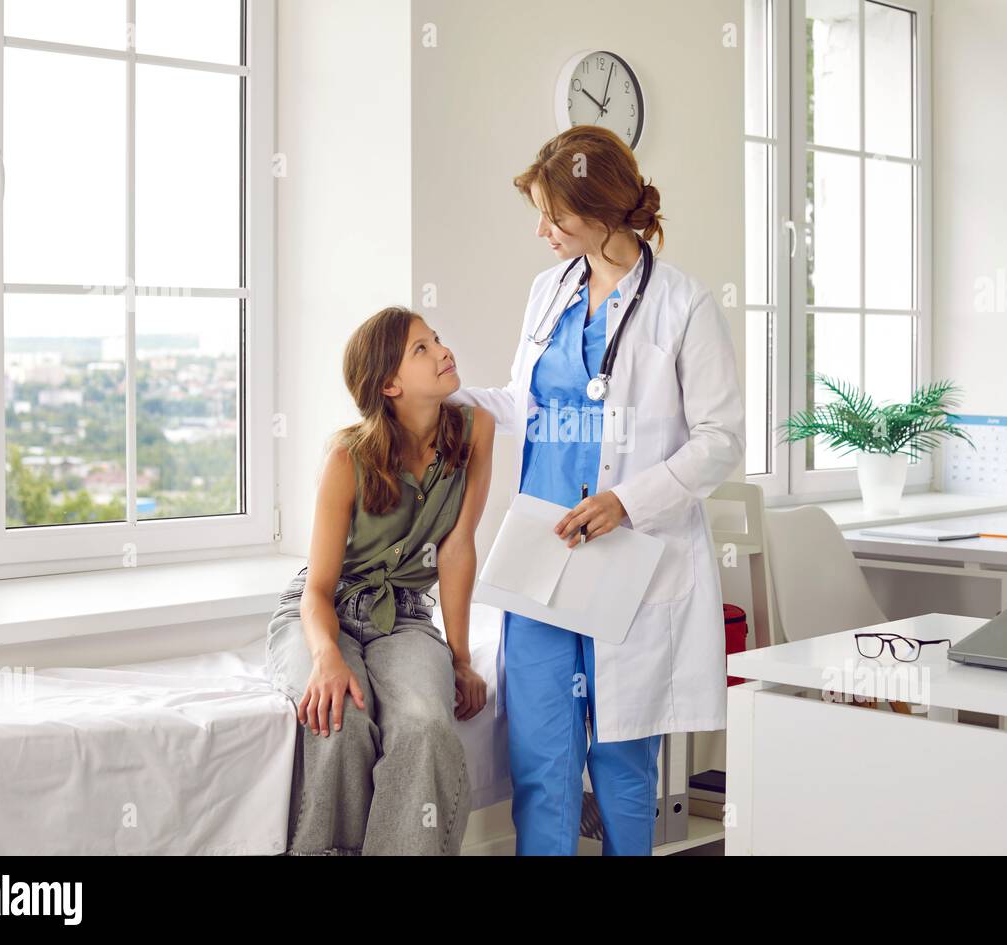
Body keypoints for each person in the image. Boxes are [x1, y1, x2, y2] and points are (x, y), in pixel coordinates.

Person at [447, 125, 745, 855]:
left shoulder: (683, 305)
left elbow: (722, 438)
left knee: (621, 764)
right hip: (543, 556)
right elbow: (525, 401)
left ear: (603, 209)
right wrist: (445, 401)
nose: (542, 230)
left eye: (555, 214)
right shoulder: (547, 291)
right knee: (542, 764)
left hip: (632, 560)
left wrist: (629, 500)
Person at [266, 306, 492, 855]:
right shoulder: (348, 457)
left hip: (406, 617)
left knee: (425, 729)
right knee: (340, 719)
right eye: (422, 348)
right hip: (324, 612)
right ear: (389, 384)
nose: (443, 351)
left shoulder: (475, 429)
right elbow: (317, 590)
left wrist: (460, 659)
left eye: (436, 339)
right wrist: (327, 658)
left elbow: (457, 548)